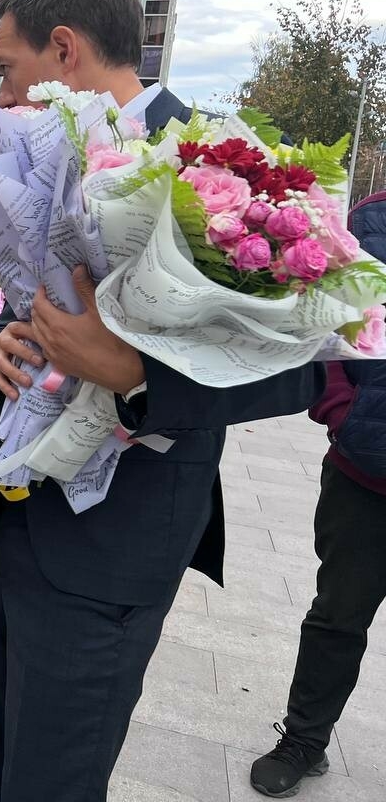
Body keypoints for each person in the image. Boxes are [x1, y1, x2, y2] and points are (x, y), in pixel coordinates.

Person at [0, 0, 325, 802]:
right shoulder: (50, 158)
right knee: (15, 768)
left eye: (9, 70)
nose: (3, 98)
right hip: (17, 518)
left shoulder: (222, 168)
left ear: (64, 51)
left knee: (54, 784)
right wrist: (2, 345)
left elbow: (310, 367)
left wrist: (135, 377)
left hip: (108, 551)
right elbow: (42, 300)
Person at [249, 191, 386, 797]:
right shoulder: (370, 224)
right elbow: (323, 321)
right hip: (366, 474)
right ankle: (305, 738)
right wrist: (342, 412)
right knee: (337, 616)